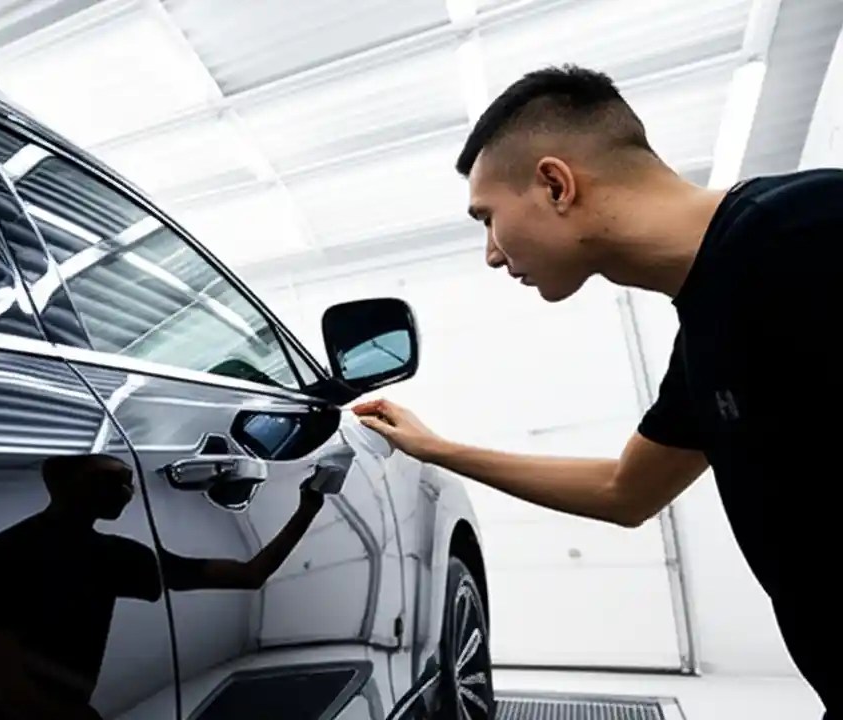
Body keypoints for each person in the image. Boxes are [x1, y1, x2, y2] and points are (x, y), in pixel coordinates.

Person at [353, 65, 835, 718]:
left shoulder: (810, 228)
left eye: (488, 218)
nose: (491, 253)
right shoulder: (705, 333)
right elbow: (625, 491)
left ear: (556, 184)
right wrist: (437, 449)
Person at [0, 453, 326, 720]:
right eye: (110, 478)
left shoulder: (114, 557)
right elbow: (2, 684)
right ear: (61, 482)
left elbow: (248, 575)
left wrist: (307, 509)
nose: (127, 490)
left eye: (128, 481)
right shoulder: (3, 556)